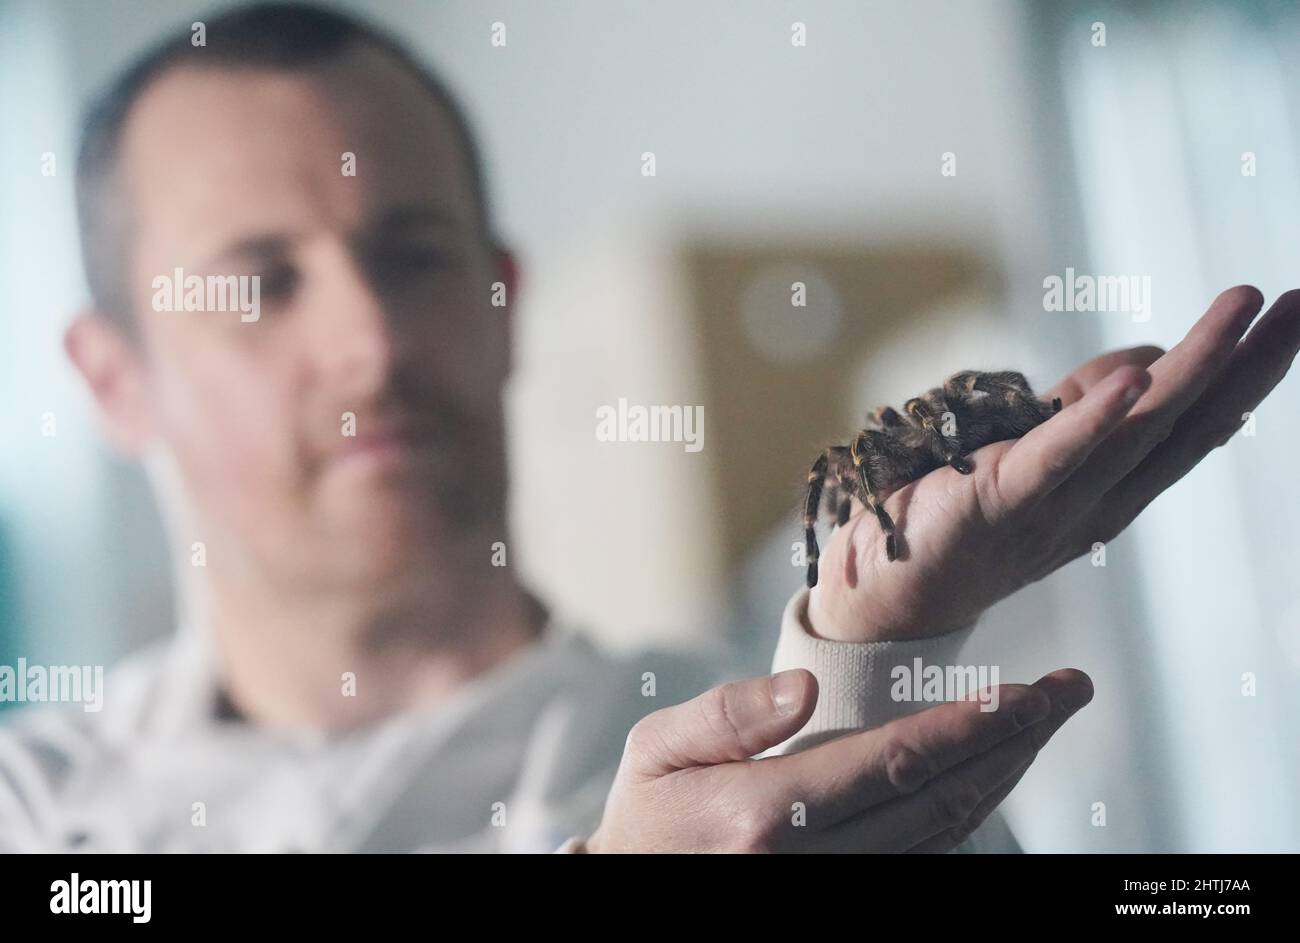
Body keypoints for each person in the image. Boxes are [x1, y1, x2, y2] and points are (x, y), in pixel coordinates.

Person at [3, 3, 1296, 853]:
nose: (372, 343)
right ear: (114, 379)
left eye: (415, 257)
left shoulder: (767, 736)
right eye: (259, 285)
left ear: (507, 302)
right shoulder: (39, 812)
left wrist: (875, 649)